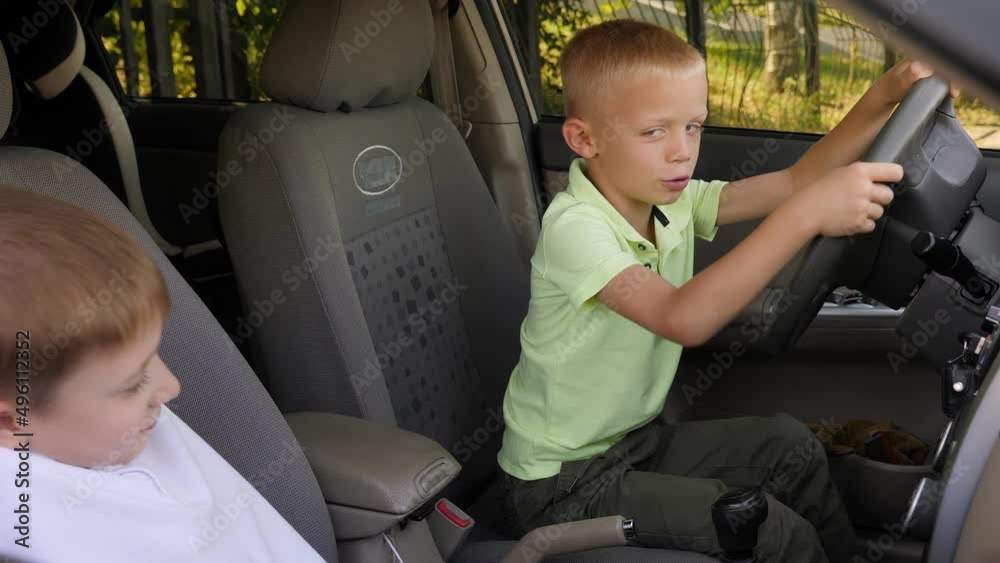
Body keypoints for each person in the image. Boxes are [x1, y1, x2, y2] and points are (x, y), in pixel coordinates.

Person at [497, 19, 954, 563]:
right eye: (654, 132)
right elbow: (682, 318)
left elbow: (794, 182)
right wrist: (803, 219)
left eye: (694, 126)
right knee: (770, 530)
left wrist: (886, 93)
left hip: (632, 445)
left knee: (792, 449)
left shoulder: (673, 202)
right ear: (583, 139)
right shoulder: (575, 227)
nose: (681, 152)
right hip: (562, 487)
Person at [0, 187, 325, 562]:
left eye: (156, 356)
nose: (171, 386)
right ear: (11, 420)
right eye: (134, 382)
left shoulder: (100, 416)